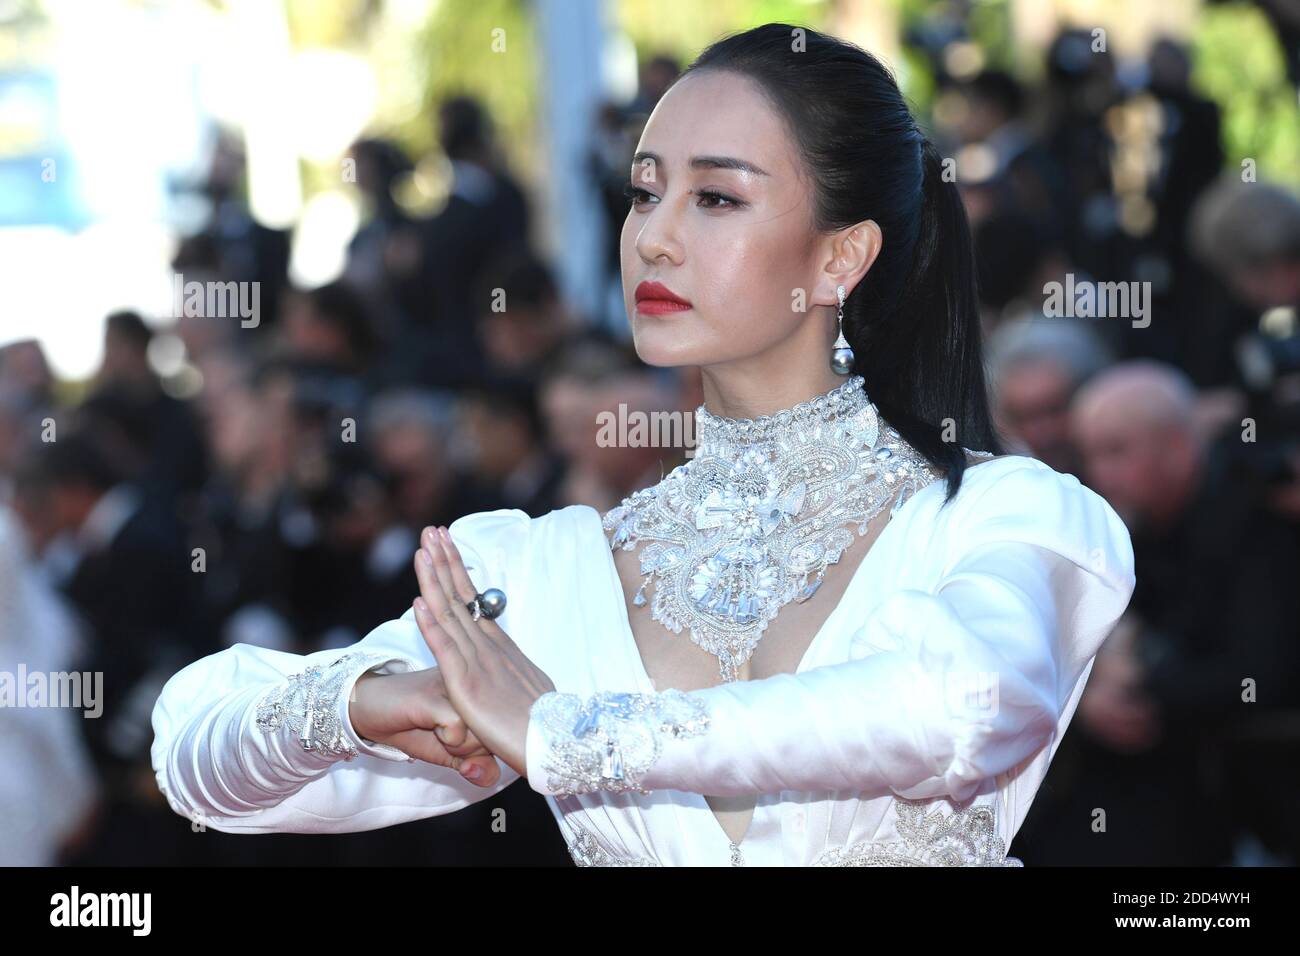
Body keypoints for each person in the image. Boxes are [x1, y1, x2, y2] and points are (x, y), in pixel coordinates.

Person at [151, 23, 1135, 867]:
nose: (651, 239)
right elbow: (195, 747)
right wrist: (373, 700)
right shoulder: (548, 570)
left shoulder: (1002, 517)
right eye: (642, 192)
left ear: (842, 254)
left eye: (714, 199)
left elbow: (958, 700)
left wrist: (567, 733)